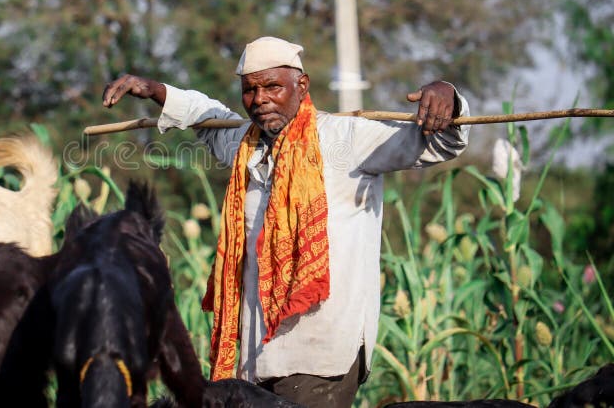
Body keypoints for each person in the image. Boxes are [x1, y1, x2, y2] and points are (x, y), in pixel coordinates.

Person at [102, 36, 470, 407]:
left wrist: (448, 97)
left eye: (273, 86)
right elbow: (204, 114)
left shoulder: (346, 137)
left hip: (321, 351)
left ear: (302, 85)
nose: (260, 99)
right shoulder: (244, 145)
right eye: (250, 90)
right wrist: (154, 89)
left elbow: (439, 144)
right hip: (254, 355)